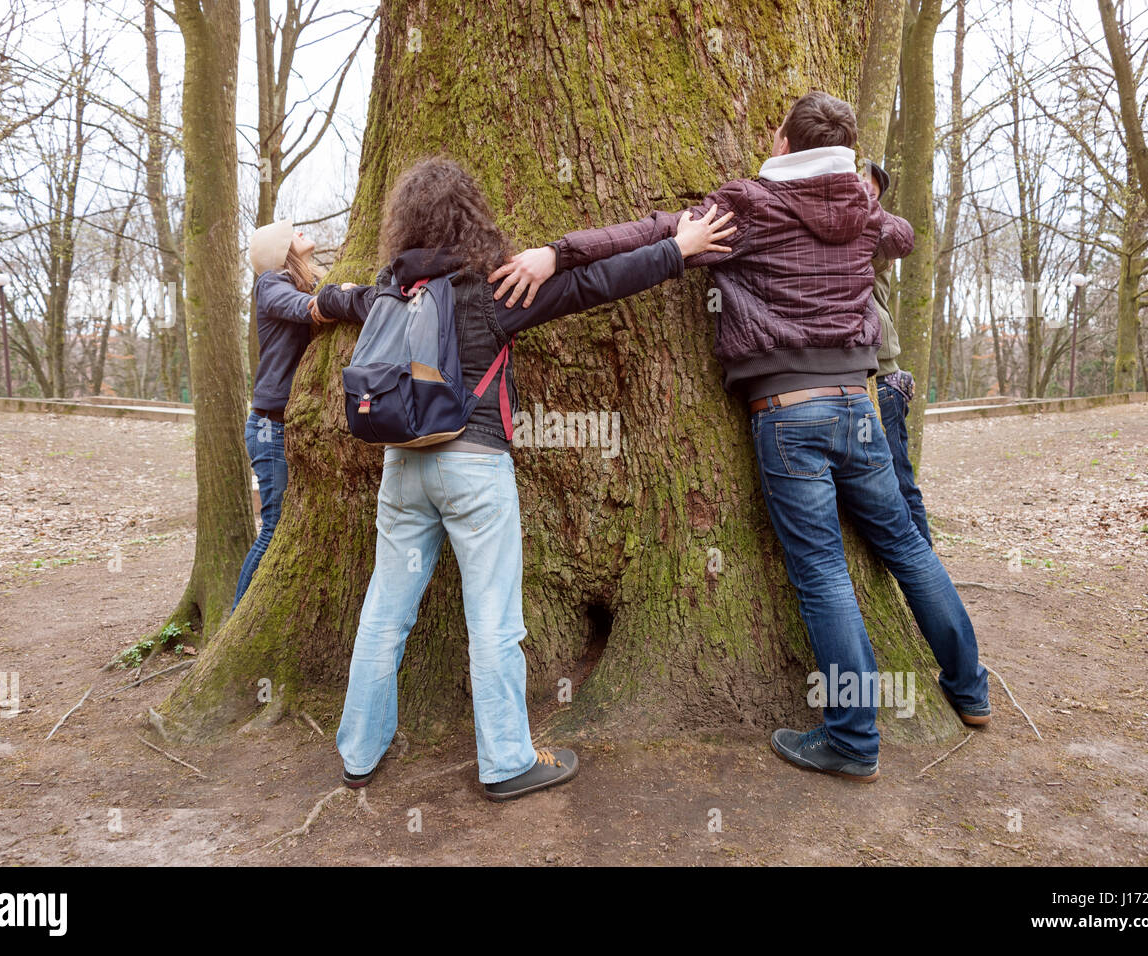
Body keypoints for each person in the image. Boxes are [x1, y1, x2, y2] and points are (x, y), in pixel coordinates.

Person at [491, 92, 991, 783]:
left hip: (789, 410)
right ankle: (969, 689)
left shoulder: (751, 204)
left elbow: (651, 230)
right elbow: (900, 236)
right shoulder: (862, 212)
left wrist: (556, 252)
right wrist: (867, 200)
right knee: (905, 543)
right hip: (858, 404)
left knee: (823, 571)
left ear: (784, 142)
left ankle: (854, 738)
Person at [314, 157, 735, 801]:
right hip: (474, 466)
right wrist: (678, 249)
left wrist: (313, 301)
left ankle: (360, 754)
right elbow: (597, 284)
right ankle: (506, 761)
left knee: (383, 613)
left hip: (400, 467)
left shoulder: (388, 291)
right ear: (470, 218)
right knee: (493, 620)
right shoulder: (491, 289)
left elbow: (344, 300)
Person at [234, 221, 325, 609]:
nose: (301, 231)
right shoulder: (271, 283)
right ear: (281, 248)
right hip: (270, 428)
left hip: (290, 425)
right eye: (293, 231)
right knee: (273, 529)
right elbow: (301, 309)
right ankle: (238, 620)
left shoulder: (304, 281)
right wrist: (336, 302)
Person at [862, 160, 932, 548]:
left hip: (883, 377)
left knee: (899, 480)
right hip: (853, 377)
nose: (861, 199)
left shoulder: (880, 238)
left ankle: (927, 566)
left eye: (870, 194)